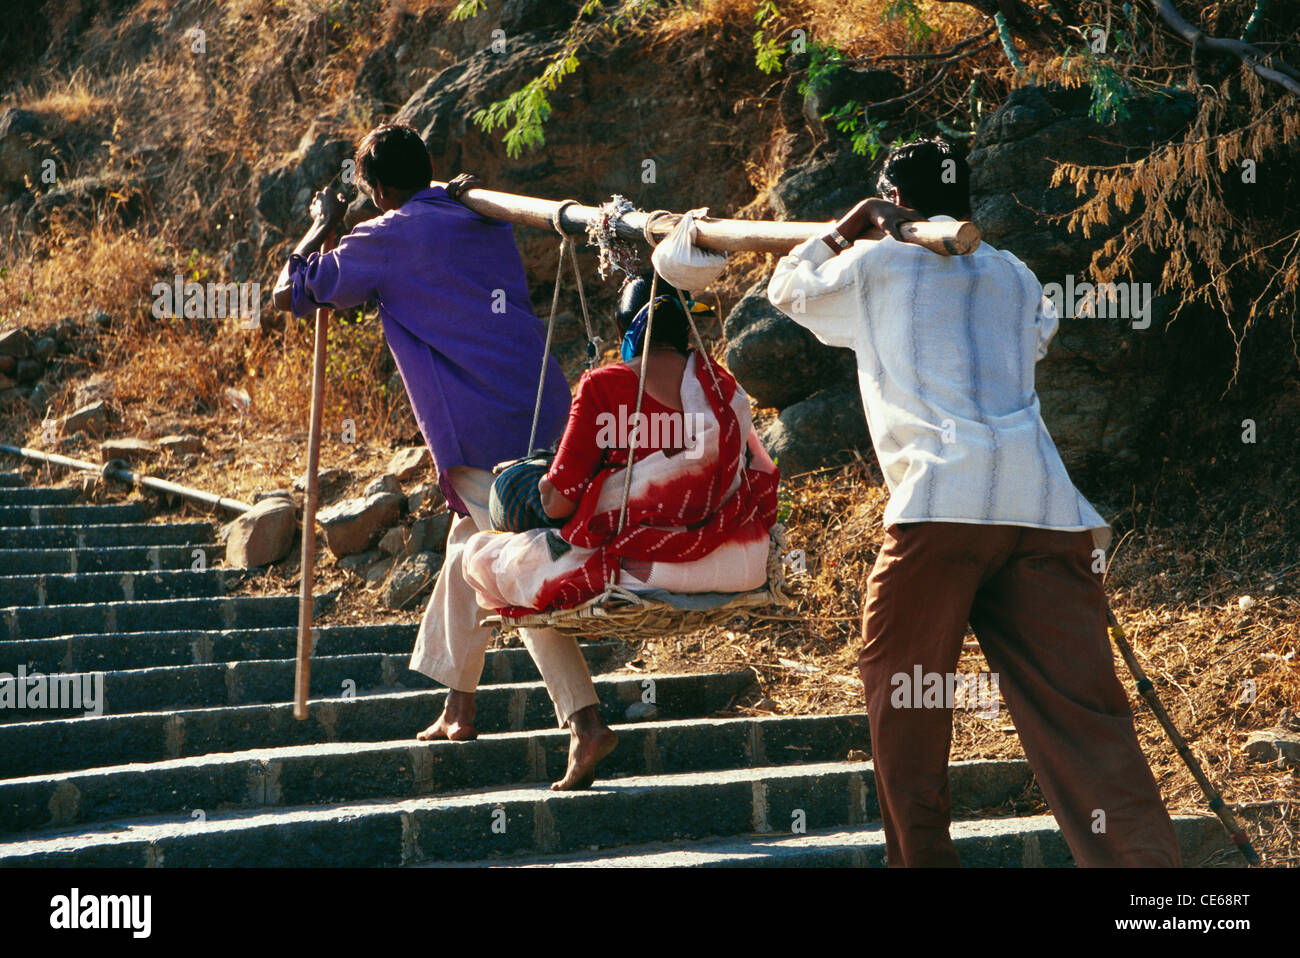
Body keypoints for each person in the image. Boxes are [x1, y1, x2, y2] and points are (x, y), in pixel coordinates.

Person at [766, 138, 1182, 867]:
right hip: (1045, 509)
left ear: (893, 199)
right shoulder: (1016, 275)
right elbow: (1040, 338)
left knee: (905, 695)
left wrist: (842, 230)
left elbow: (790, 292)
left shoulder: (874, 264)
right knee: (1085, 717)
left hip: (942, 507)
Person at [270, 123, 591, 770]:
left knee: (505, 565)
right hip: (547, 410)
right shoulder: (478, 214)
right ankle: (458, 709)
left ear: (378, 190)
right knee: (463, 551)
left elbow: (290, 293)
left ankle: (585, 720)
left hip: (485, 438)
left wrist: (321, 222)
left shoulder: (387, 236)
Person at [460, 273, 780, 787]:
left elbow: (561, 502)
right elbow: (759, 477)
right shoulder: (724, 391)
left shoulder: (605, 384)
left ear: (628, 332)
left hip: (630, 565)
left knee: (480, 549)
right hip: (731, 559)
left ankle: (509, 712)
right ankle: (471, 706)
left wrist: (548, 486)